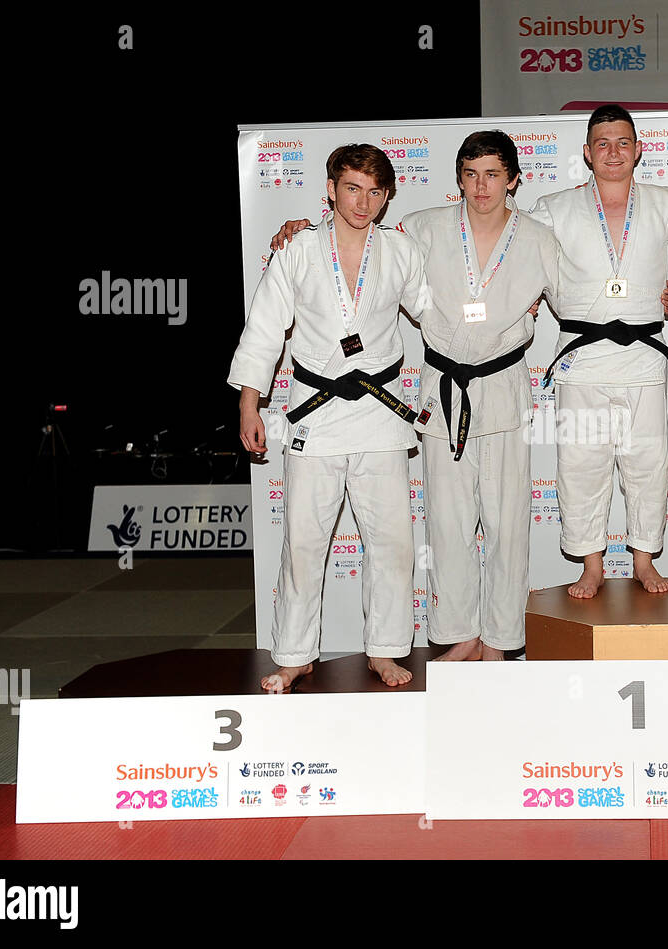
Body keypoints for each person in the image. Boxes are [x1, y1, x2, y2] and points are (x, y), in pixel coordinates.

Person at [229, 143, 425, 691]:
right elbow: (265, 328)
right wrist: (250, 401)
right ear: (332, 189)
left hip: (380, 415)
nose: (362, 202)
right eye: (352, 188)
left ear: (386, 198)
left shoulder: (401, 252)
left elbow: (435, 312)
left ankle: (385, 649)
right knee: (304, 542)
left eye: (374, 191)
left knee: (391, 541)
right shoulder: (297, 249)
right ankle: (293, 654)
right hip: (314, 416)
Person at [529, 104, 668, 598]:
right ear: (586, 152)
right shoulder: (554, 208)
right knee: (580, 465)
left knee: (647, 465)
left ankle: (644, 558)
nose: (613, 152)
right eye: (602, 143)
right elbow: (516, 253)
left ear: (639, 150)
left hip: (645, 359)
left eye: (623, 142)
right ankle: (592, 564)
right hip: (581, 360)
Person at [397, 132, 560, 660]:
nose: (481, 186)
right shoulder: (422, 229)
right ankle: (460, 633)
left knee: (508, 522)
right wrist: (307, 227)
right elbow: (362, 246)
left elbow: (580, 296)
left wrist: (658, 292)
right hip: (444, 388)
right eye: (471, 174)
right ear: (459, 179)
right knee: (446, 522)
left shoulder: (538, 237)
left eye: (493, 174)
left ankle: (501, 638)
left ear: (514, 178)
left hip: (503, 388)